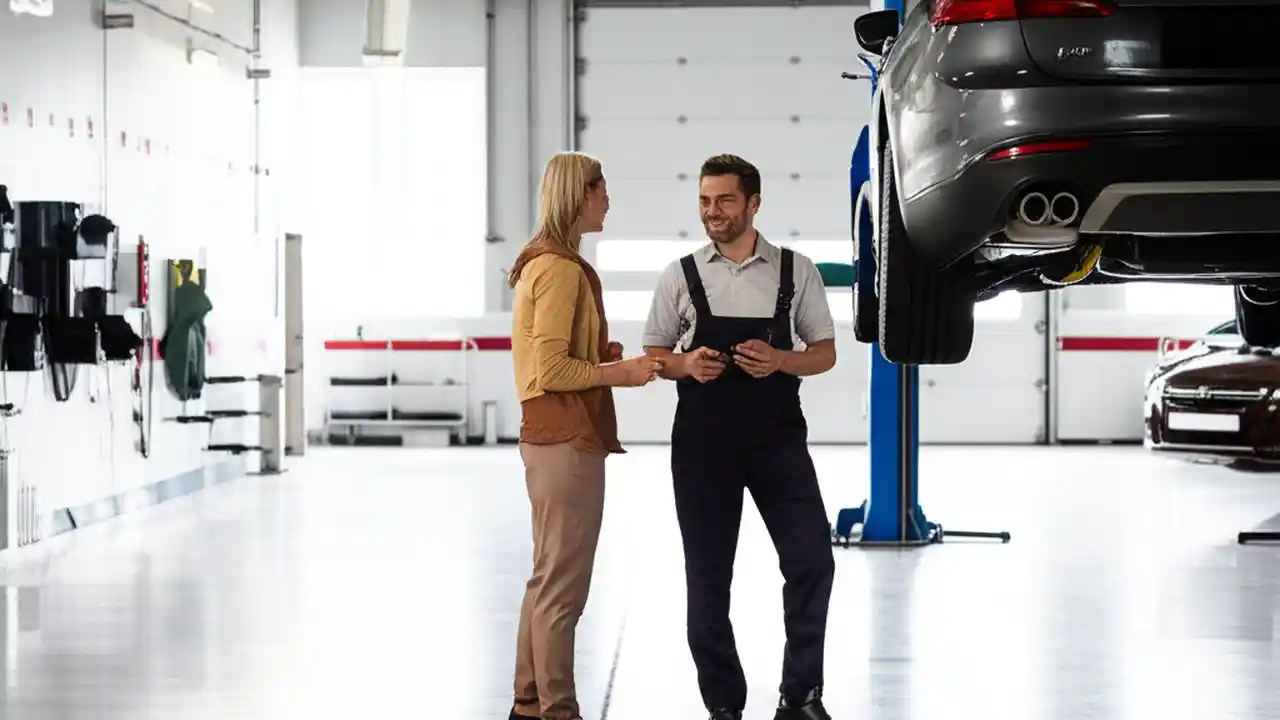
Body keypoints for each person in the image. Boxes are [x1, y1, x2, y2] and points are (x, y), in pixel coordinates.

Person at [642, 154, 838, 720]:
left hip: (777, 440)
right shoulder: (680, 274)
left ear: (754, 203)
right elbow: (654, 354)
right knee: (707, 577)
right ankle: (724, 707)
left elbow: (824, 353)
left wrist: (780, 357)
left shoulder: (795, 271)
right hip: (703, 445)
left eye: (724, 200)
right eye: (705, 201)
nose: (713, 212)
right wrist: (684, 366)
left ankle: (801, 697)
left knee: (812, 561)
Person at [506, 151, 662, 720]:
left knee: (546, 579)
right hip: (564, 440)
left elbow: (555, 356)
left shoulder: (542, 263)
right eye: (603, 190)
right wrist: (616, 373)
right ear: (582, 195)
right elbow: (552, 371)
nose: (608, 200)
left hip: (547, 437)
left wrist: (601, 356)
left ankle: (529, 704)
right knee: (564, 591)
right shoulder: (562, 269)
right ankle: (558, 710)